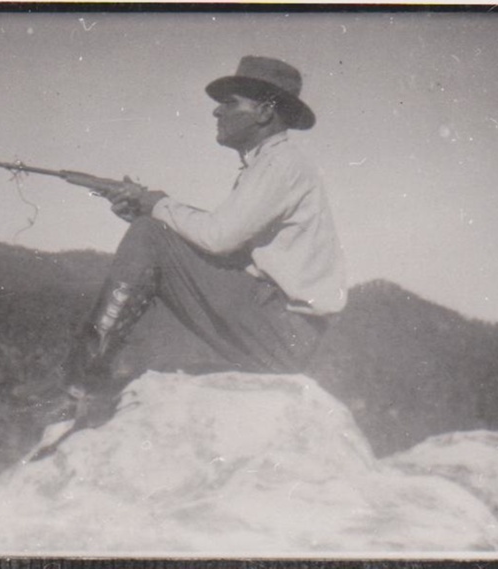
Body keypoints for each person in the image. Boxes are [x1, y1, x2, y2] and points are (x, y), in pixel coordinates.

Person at [57, 55, 347, 426]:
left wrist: (156, 209)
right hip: (284, 331)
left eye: (231, 103)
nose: (217, 111)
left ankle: (80, 383)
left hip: (282, 330)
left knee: (149, 235)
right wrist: (149, 211)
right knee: (151, 231)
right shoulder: (274, 162)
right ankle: (84, 380)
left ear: (264, 112)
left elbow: (218, 237)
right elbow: (227, 242)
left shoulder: (281, 164)